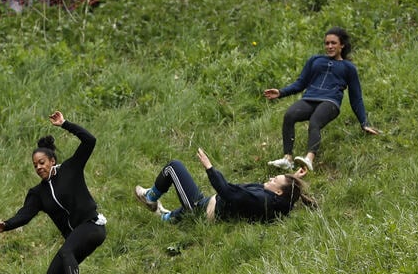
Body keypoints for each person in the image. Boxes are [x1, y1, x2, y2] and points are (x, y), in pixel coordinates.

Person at [0, 112, 105, 274]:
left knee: (66, 251)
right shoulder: (38, 194)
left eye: (42, 162)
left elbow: (90, 140)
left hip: (92, 225)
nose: (38, 167)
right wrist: (5, 225)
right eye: (35, 165)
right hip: (76, 236)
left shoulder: (71, 168)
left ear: (52, 160)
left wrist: (64, 124)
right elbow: (24, 215)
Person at [264, 27, 380, 171]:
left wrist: (364, 122)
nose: (329, 46)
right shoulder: (315, 60)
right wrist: (281, 92)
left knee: (315, 122)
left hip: (330, 102)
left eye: (333, 43)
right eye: (327, 43)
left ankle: (309, 159)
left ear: (341, 45)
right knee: (289, 115)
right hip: (310, 98)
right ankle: (287, 159)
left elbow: (356, 97)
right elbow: (301, 83)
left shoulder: (348, 67)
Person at [134, 148, 315, 223]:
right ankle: (166, 217)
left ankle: (150, 198)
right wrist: (293, 178)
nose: (270, 179)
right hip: (208, 206)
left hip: (200, 209)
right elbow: (287, 192)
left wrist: (209, 167)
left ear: (277, 191)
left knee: (173, 167)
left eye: (275, 180)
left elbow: (227, 192)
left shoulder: (262, 199)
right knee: (172, 216)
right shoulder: (278, 201)